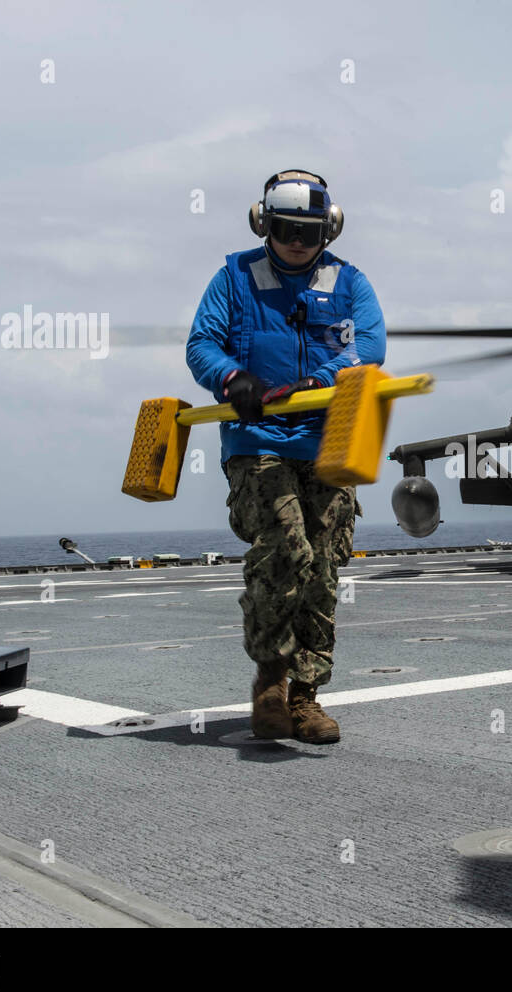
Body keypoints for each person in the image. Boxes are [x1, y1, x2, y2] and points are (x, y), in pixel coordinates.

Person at [186, 170, 386, 739]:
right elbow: (202, 343)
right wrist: (232, 378)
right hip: (259, 445)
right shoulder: (234, 278)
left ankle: (305, 697)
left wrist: (315, 382)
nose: (298, 241)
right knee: (285, 546)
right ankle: (271, 678)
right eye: (286, 229)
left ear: (330, 229)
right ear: (264, 224)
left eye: (309, 231)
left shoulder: (350, 283)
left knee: (323, 570)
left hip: (330, 442)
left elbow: (367, 346)